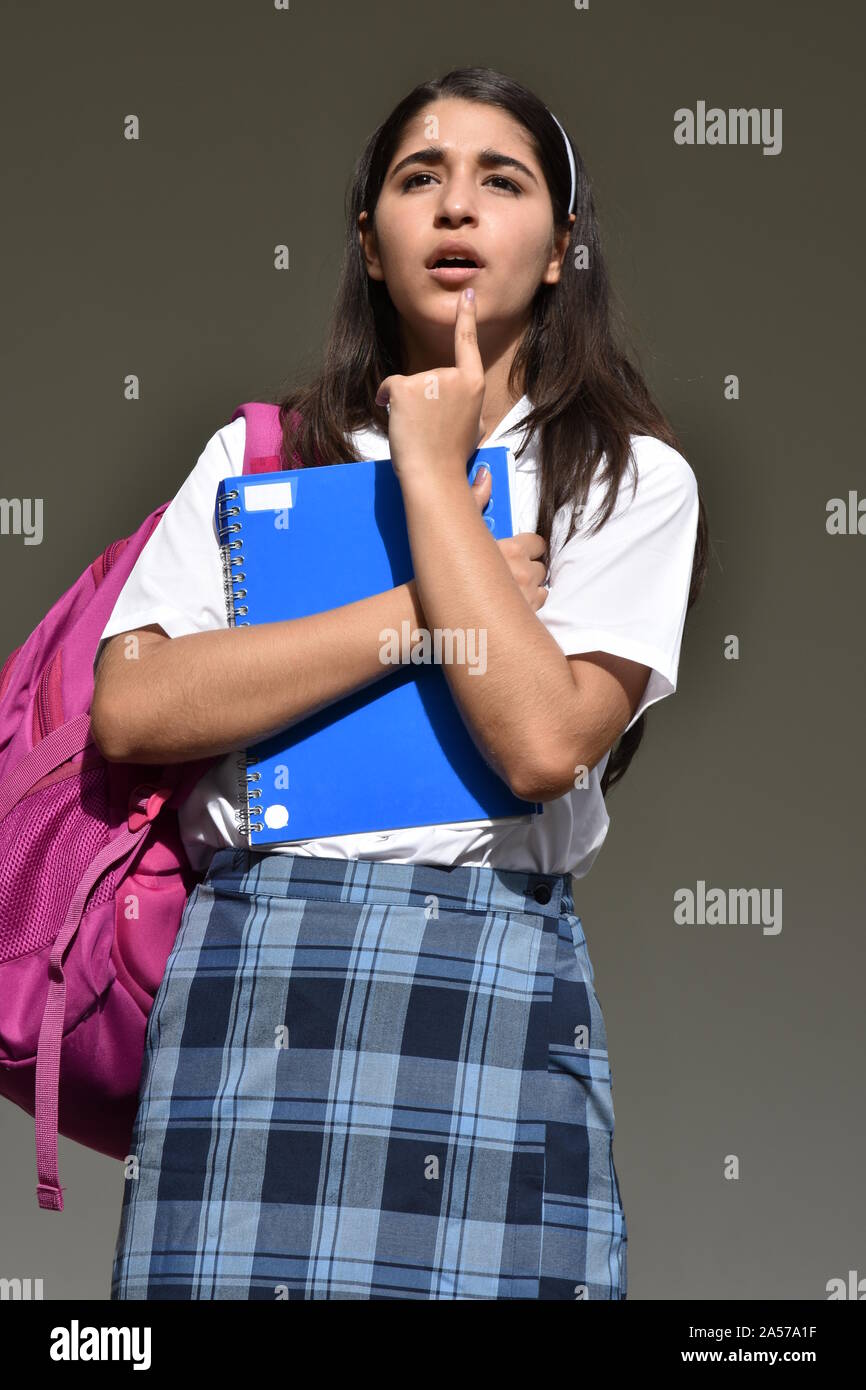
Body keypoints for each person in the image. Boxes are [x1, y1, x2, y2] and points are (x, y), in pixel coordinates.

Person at [94, 64, 708, 1301]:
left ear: (558, 251)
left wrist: (432, 470)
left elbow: (542, 744)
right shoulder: (261, 453)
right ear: (369, 244)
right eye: (419, 178)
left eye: (501, 179)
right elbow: (135, 708)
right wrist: (423, 607)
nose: (455, 207)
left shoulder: (628, 478)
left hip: (485, 968)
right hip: (255, 973)